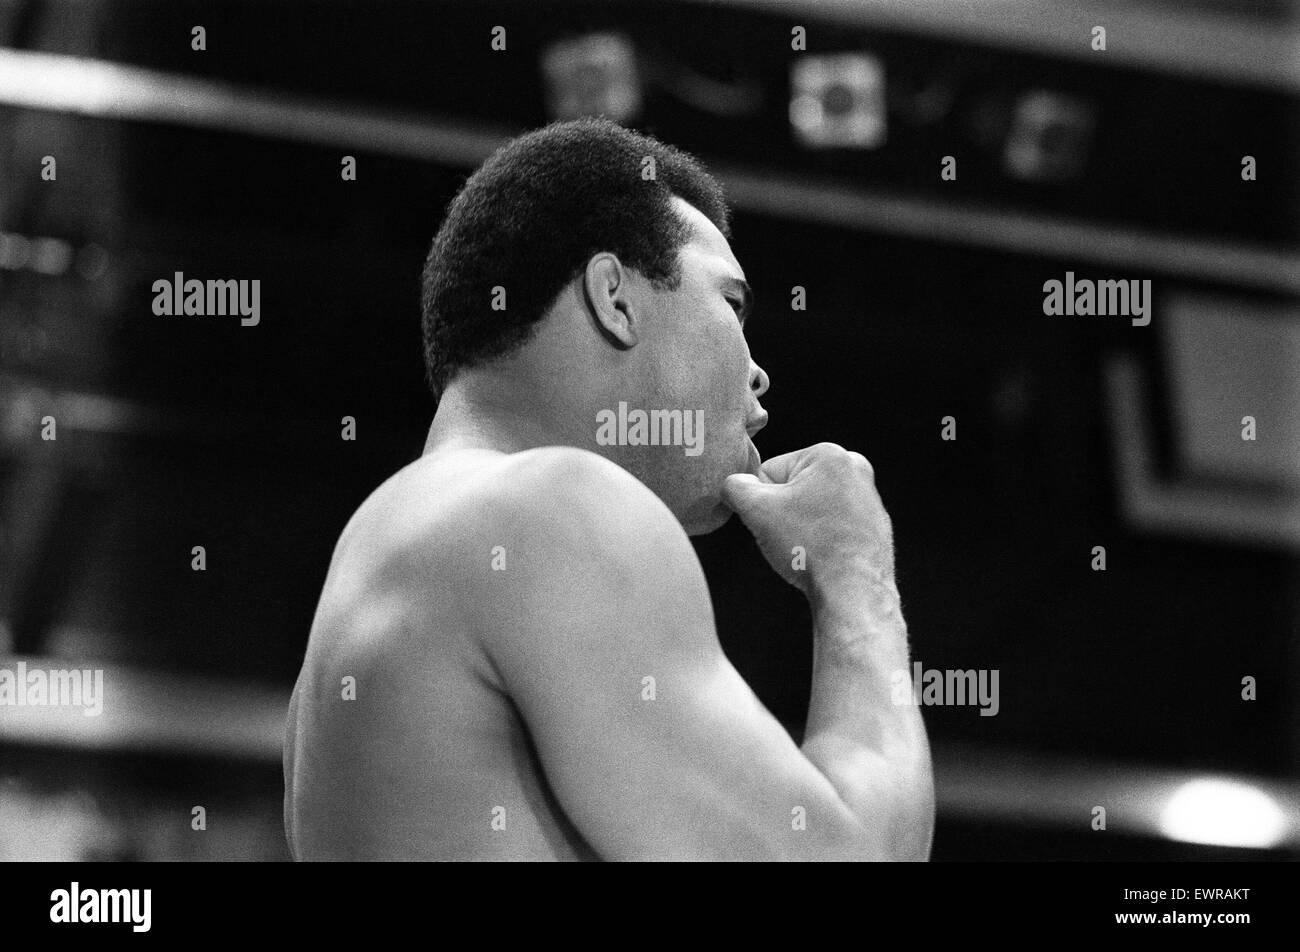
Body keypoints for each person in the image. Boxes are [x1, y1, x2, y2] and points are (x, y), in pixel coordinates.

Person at [283, 117, 934, 860]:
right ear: (614, 298)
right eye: (732, 306)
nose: (759, 372)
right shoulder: (552, 509)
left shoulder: (355, 608)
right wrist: (856, 572)